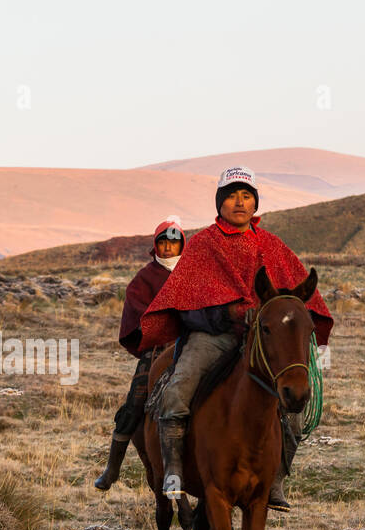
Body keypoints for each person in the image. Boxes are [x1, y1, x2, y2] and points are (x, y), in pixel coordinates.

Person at [138, 167, 334, 510]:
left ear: (255, 202)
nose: (239, 202)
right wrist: (223, 315)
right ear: (220, 202)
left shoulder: (272, 246)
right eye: (231, 195)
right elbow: (183, 305)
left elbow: (293, 300)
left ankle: (275, 481)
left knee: (295, 407)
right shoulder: (202, 245)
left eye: (246, 196)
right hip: (212, 337)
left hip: (263, 339)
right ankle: (173, 471)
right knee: (177, 390)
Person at [94, 219, 185, 490]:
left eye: (173, 243)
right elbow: (139, 313)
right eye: (163, 243)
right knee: (136, 399)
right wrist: (163, 324)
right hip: (157, 348)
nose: (168, 248)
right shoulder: (145, 278)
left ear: (182, 244)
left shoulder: (192, 274)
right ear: (155, 246)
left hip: (193, 342)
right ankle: (113, 467)